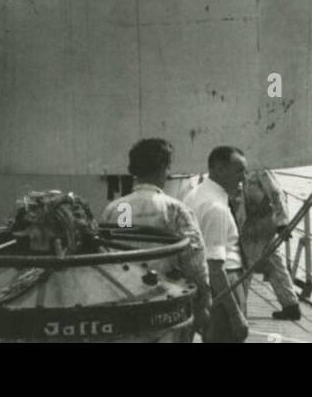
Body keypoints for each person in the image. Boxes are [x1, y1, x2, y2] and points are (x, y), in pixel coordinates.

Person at [99, 138, 210, 335]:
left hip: (120, 304)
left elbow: (105, 254)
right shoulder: (175, 210)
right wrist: (203, 302)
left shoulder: (114, 209)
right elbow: (194, 261)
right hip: (164, 307)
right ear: (165, 168)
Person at [186, 145, 249, 343]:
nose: (243, 177)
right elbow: (215, 268)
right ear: (219, 169)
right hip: (225, 284)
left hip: (203, 285)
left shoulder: (194, 195)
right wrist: (235, 314)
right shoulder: (216, 207)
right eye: (239, 170)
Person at [238, 165, 301, 321]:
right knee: (274, 262)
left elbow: (276, 193)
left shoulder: (261, 169)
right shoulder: (238, 168)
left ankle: (240, 308)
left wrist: (282, 222)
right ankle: (291, 305)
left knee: (246, 263)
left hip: (261, 223)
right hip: (249, 223)